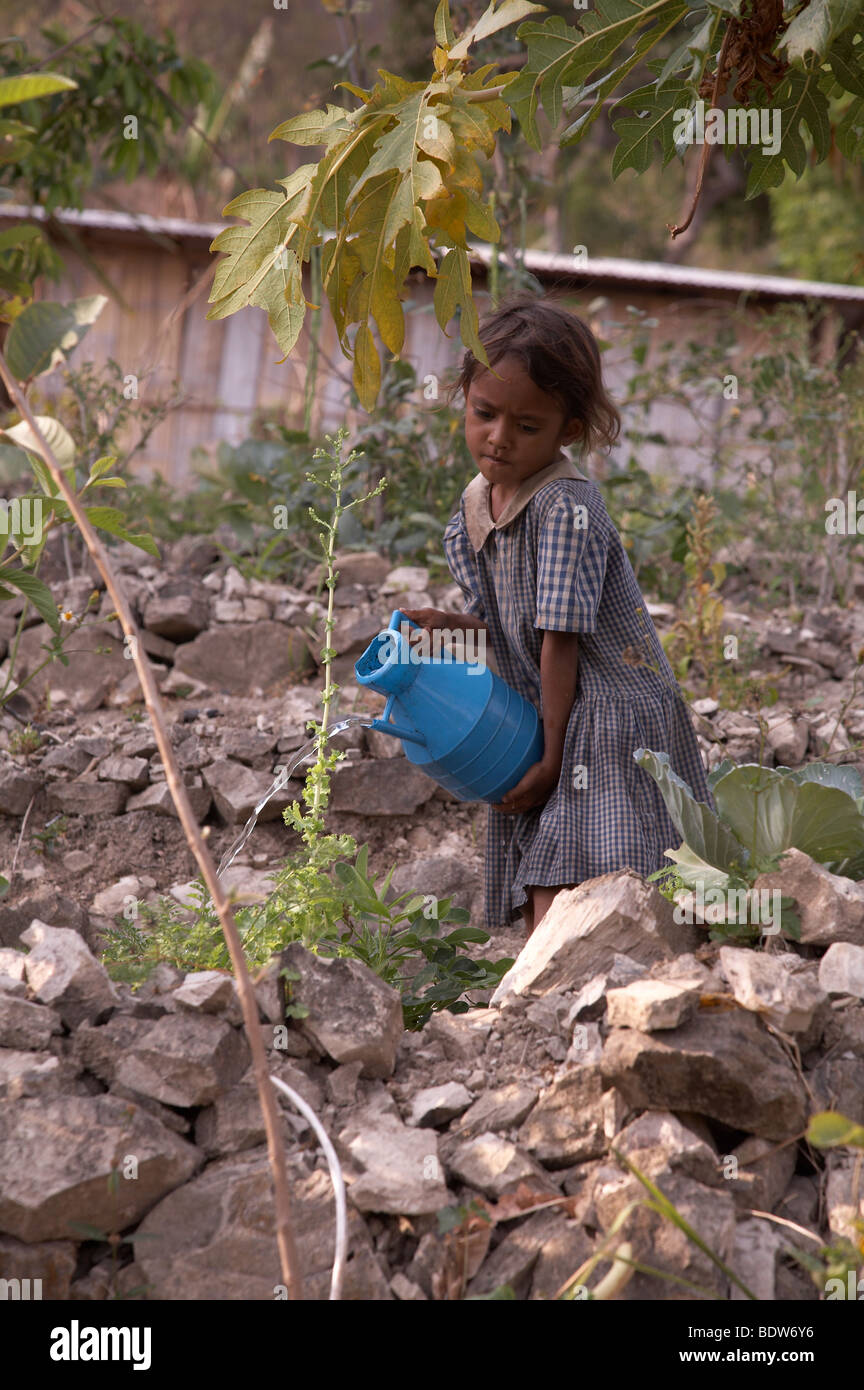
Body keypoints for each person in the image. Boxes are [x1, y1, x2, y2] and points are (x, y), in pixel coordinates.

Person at [401, 293, 714, 937]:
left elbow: (559, 639)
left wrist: (549, 750)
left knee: (574, 859)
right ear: (464, 399)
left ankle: (552, 987)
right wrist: (450, 625)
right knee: (560, 844)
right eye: (485, 414)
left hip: (608, 706)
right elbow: (513, 626)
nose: (499, 437)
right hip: (551, 697)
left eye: (527, 425)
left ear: (567, 429)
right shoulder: (476, 509)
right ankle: (555, 986)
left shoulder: (564, 509)